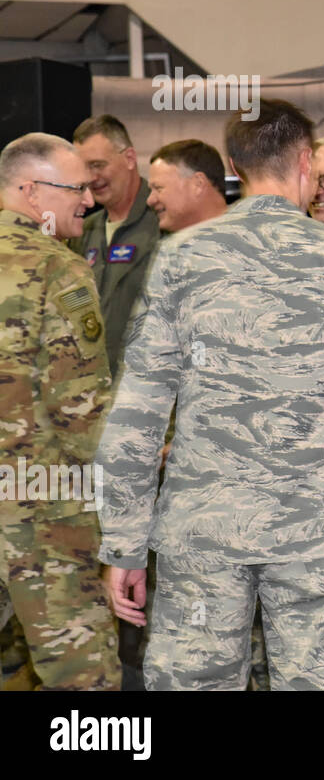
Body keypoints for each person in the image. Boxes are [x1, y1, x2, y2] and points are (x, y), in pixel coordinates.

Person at [96, 100, 324, 691]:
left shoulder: (181, 259)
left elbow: (136, 412)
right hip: (313, 532)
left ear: (234, 165)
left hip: (202, 533)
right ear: (308, 164)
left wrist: (124, 544)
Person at [0, 133, 119, 690]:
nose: (89, 201)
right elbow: (80, 413)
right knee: (82, 678)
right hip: (43, 514)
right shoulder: (60, 270)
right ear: (30, 191)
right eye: (76, 189)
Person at [70, 115, 161, 380]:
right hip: (93, 393)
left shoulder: (163, 222)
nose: (92, 178)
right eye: (85, 168)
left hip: (147, 396)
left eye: (98, 165)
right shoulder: (83, 231)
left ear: (130, 158)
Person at [146, 139, 229, 232]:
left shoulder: (243, 239)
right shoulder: (170, 244)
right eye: (151, 190)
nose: (150, 200)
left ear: (198, 184)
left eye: (158, 188)